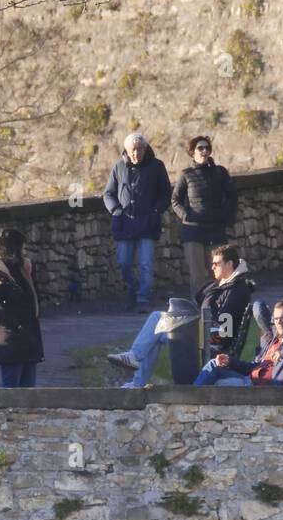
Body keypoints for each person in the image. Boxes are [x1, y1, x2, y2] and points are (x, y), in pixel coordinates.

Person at [103, 132, 171, 313]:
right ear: (126, 150)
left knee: (145, 264)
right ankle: (133, 290)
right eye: (133, 150)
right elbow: (108, 194)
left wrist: (156, 210)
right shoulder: (118, 168)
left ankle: (143, 298)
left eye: (140, 149)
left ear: (146, 149)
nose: (136, 153)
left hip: (147, 224)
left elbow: (165, 193)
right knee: (124, 263)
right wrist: (116, 210)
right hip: (124, 225)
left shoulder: (157, 166)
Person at [192, 299, 283, 386]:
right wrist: (230, 361)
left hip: (262, 390)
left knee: (217, 384)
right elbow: (253, 367)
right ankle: (189, 403)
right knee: (213, 364)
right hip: (250, 380)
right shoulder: (275, 338)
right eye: (276, 319)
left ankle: (190, 404)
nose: (279, 322)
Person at [0, 228, 43, 388]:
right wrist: (16, 325)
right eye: (22, 247)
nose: (25, 251)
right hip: (10, 341)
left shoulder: (22, 270)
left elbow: (33, 301)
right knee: (12, 394)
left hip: (28, 339)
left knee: (29, 395)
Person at [171, 135, 237, 300]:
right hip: (193, 231)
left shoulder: (220, 172)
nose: (205, 151)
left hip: (215, 229)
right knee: (198, 273)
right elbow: (175, 200)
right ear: (192, 152)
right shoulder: (186, 175)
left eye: (207, 148)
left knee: (219, 271)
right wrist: (187, 216)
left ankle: (220, 304)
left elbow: (232, 196)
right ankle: (200, 307)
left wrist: (224, 217)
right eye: (201, 148)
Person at [107, 298, 201, 389]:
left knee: (159, 323)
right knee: (158, 319)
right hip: (198, 325)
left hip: (204, 332)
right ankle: (136, 367)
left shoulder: (213, 290)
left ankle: (135, 362)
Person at [194, 243, 255, 358]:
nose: (212, 267)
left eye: (216, 264)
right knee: (159, 318)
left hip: (216, 338)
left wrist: (196, 329)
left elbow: (224, 326)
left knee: (170, 329)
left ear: (229, 264)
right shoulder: (218, 284)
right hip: (206, 330)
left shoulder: (238, 290)